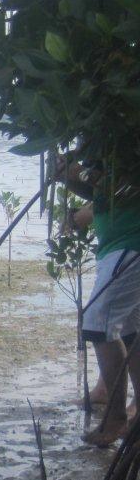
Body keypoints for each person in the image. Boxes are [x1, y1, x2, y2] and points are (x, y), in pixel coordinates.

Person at [59, 159, 140, 446]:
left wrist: (79, 172)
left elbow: (125, 186)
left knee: (97, 323)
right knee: (129, 330)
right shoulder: (105, 146)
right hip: (119, 244)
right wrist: (68, 176)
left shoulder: (125, 138)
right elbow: (104, 192)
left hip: (131, 243)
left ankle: (116, 418)